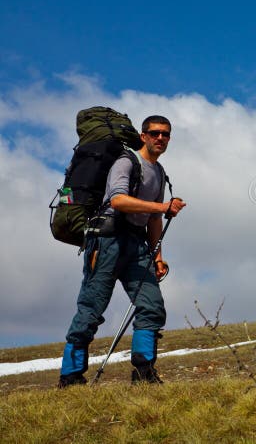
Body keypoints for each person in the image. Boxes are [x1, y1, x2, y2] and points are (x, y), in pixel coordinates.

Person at [58, 115, 186, 387]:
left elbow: (153, 220)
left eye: (165, 134)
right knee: (91, 309)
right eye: (154, 133)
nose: (160, 138)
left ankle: (143, 373)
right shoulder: (127, 162)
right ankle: (70, 377)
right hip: (107, 242)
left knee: (151, 307)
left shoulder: (160, 172)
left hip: (137, 246)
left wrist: (158, 256)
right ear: (143, 136)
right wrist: (163, 207)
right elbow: (117, 200)